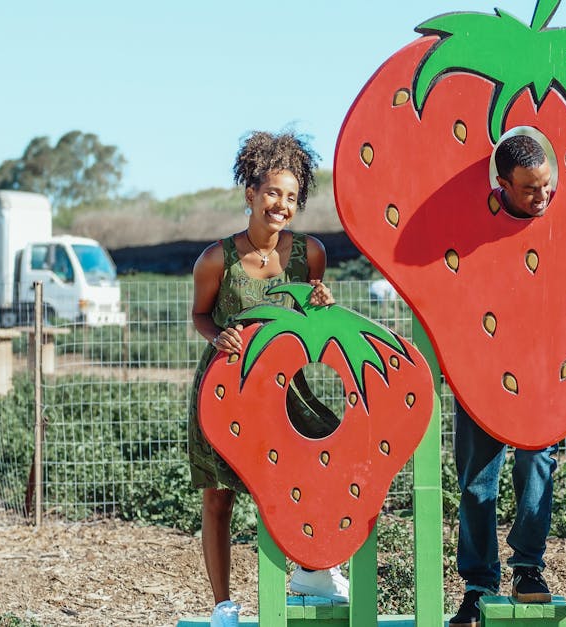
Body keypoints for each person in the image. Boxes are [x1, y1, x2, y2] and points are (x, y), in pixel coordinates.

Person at [188, 130, 347, 627]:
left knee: (316, 467)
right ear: (250, 194)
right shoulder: (216, 259)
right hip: (226, 390)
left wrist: (323, 308)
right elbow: (200, 315)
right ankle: (223, 606)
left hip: (288, 391)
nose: (282, 204)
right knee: (219, 498)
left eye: (293, 197)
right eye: (273, 193)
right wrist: (217, 335)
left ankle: (314, 570)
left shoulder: (310, 254)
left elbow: (313, 328)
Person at [450, 134, 557, 627]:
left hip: (542, 370)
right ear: (501, 186)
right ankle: (477, 585)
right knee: (476, 483)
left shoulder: (557, 220)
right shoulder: (473, 222)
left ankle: (528, 569)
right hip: (479, 368)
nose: (541, 198)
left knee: (537, 465)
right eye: (531, 190)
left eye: (547, 187)